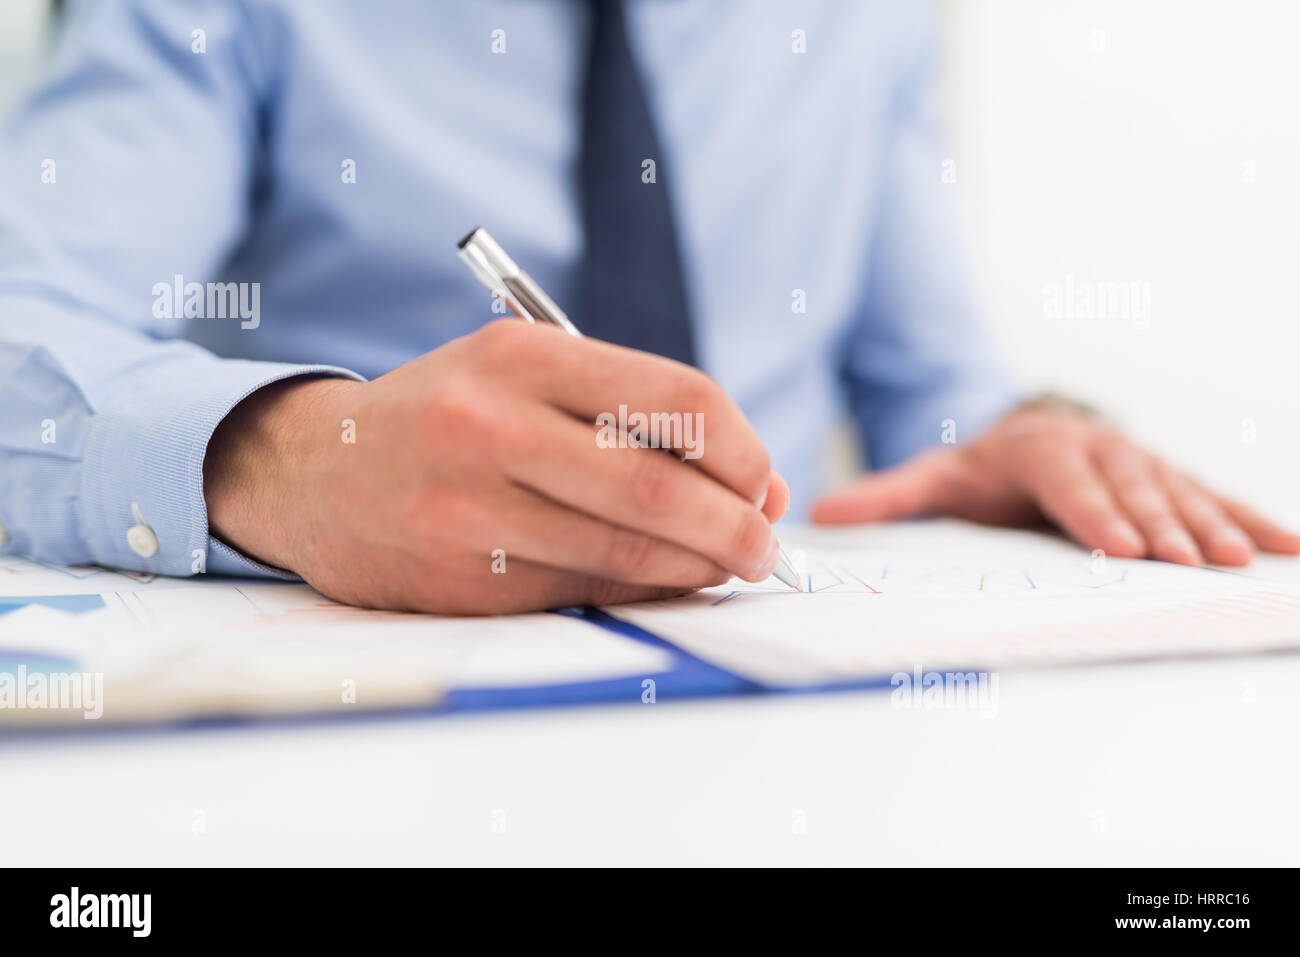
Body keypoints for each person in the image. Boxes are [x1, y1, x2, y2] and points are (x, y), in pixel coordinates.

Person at [1, 0, 1295, 614]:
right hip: (365, 690)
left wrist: (1020, 432)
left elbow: (927, 390)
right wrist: (282, 455)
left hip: (781, 683)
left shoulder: (867, 21)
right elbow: (24, 324)